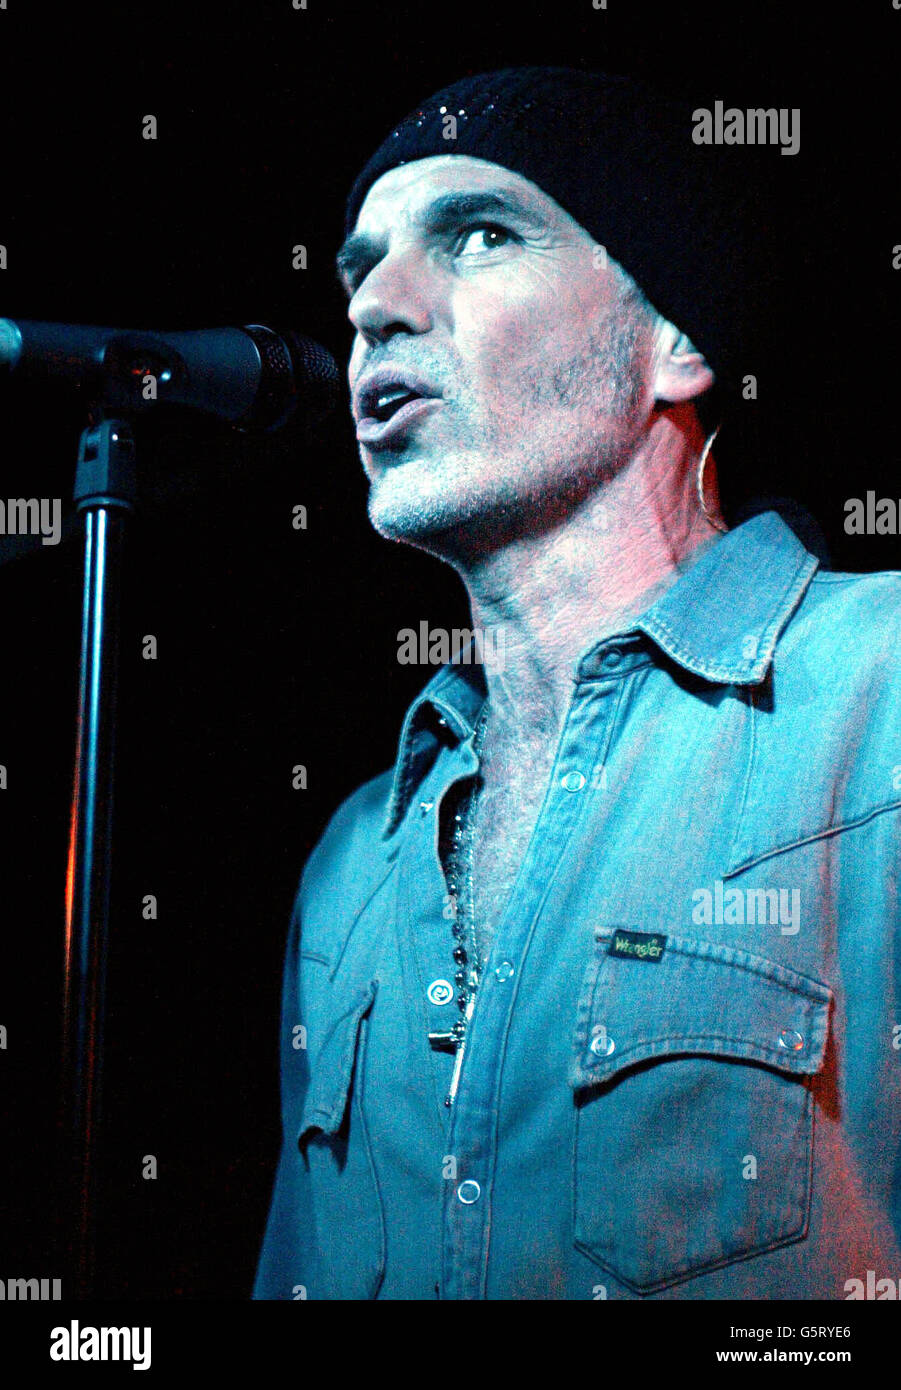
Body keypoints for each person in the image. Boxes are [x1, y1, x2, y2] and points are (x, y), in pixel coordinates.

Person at [253, 67, 901, 1300]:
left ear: (676, 341)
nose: (377, 308)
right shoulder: (351, 864)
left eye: (480, 235)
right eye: (360, 271)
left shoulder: (880, 698)